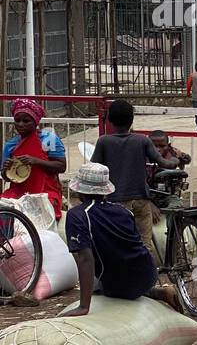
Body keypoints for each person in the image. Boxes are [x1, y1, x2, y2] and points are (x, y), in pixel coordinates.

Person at [64, 163, 182, 316]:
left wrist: (84, 307)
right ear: (105, 191)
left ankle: (153, 293)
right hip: (148, 273)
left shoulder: (77, 215)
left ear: (79, 190)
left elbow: (85, 259)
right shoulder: (123, 211)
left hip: (120, 282)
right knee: (120, 276)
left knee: (97, 286)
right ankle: (156, 292)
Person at [91, 99, 178, 263]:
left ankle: (118, 279)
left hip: (115, 202)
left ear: (109, 120)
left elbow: (94, 168)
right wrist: (175, 160)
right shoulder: (142, 140)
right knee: (144, 244)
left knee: (117, 242)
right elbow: (164, 163)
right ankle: (146, 280)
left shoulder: (104, 141)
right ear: (132, 120)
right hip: (141, 200)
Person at [2, 98, 67, 218]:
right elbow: (7, 177)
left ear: (35, 122)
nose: (21, 124)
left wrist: (36, 161)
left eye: (26, 121)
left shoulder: (48, 139)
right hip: (19, 191)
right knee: (4, 209)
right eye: (17, 120)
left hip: (46, 190)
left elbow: (62, 166)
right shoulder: (10, 145)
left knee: (44, 209)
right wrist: (5, 170)